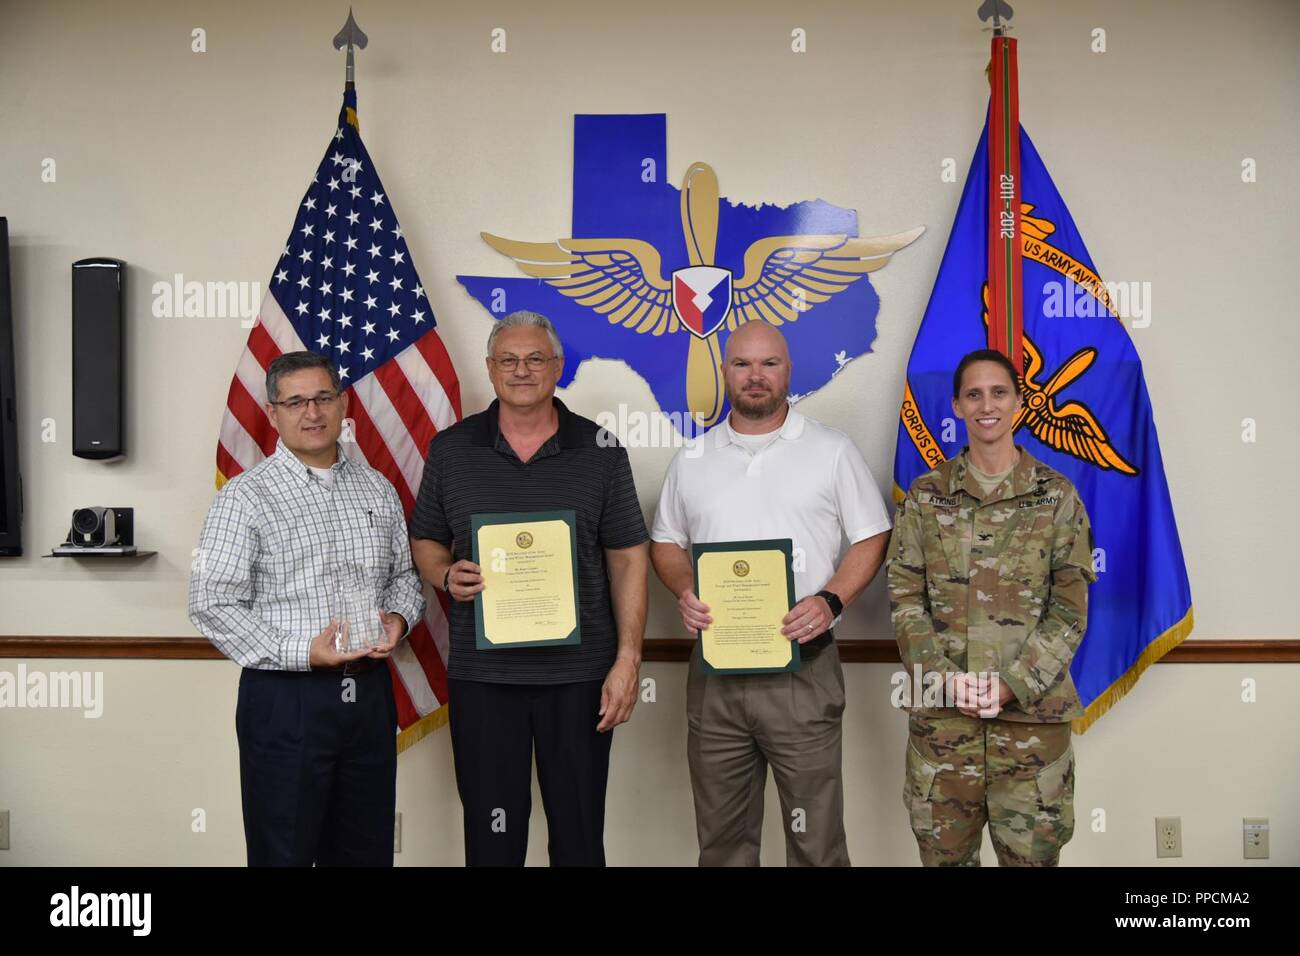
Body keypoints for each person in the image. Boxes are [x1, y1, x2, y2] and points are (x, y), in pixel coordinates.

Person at [409, 310, 649, 867]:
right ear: (490, 369)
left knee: (579, 837)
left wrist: (628, 660)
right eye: (509, 360)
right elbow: (424, 541)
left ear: (558, 368)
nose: (522, 370)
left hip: (581, 677)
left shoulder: (602, 448)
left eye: (536, 358)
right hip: (484, 678)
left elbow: (629, 558)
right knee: (492, 841)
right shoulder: (451, 449)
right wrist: (446, 574)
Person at [649, 320, 891, 866]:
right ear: (725, 372)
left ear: (789, 371)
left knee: (817, 841)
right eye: (742, 364)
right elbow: (664, 542)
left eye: (769, 364)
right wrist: (684, 588)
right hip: (716, 675)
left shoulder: (831, 451)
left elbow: (873, 535)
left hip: (802, 670)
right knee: (723, 843)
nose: (755, 376)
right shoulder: (692, 458)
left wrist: (830, 600)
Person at [189, 351, 425, 866]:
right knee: (285, 851)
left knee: (365, 851)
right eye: (295, 402)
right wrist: (303, 652)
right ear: (273, 414)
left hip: (368, 696)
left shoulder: (377, 489)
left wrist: (398, 619)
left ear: (343, 405)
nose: (312, 412)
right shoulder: (245, 498)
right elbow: (210, 601)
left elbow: (405, 578)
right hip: (285, 700)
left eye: (322, 398)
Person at [888, 348, 1097, 867]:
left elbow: (1069, 611)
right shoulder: (925, 497)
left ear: (1020, 404)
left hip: (1029, 730)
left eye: (999, 392)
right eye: (974, 394)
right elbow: (904, 599)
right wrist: (942, 678)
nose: (987, 405)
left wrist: (1012, 684)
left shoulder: (1056, 497)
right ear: (957, 405)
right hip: (944, 729)